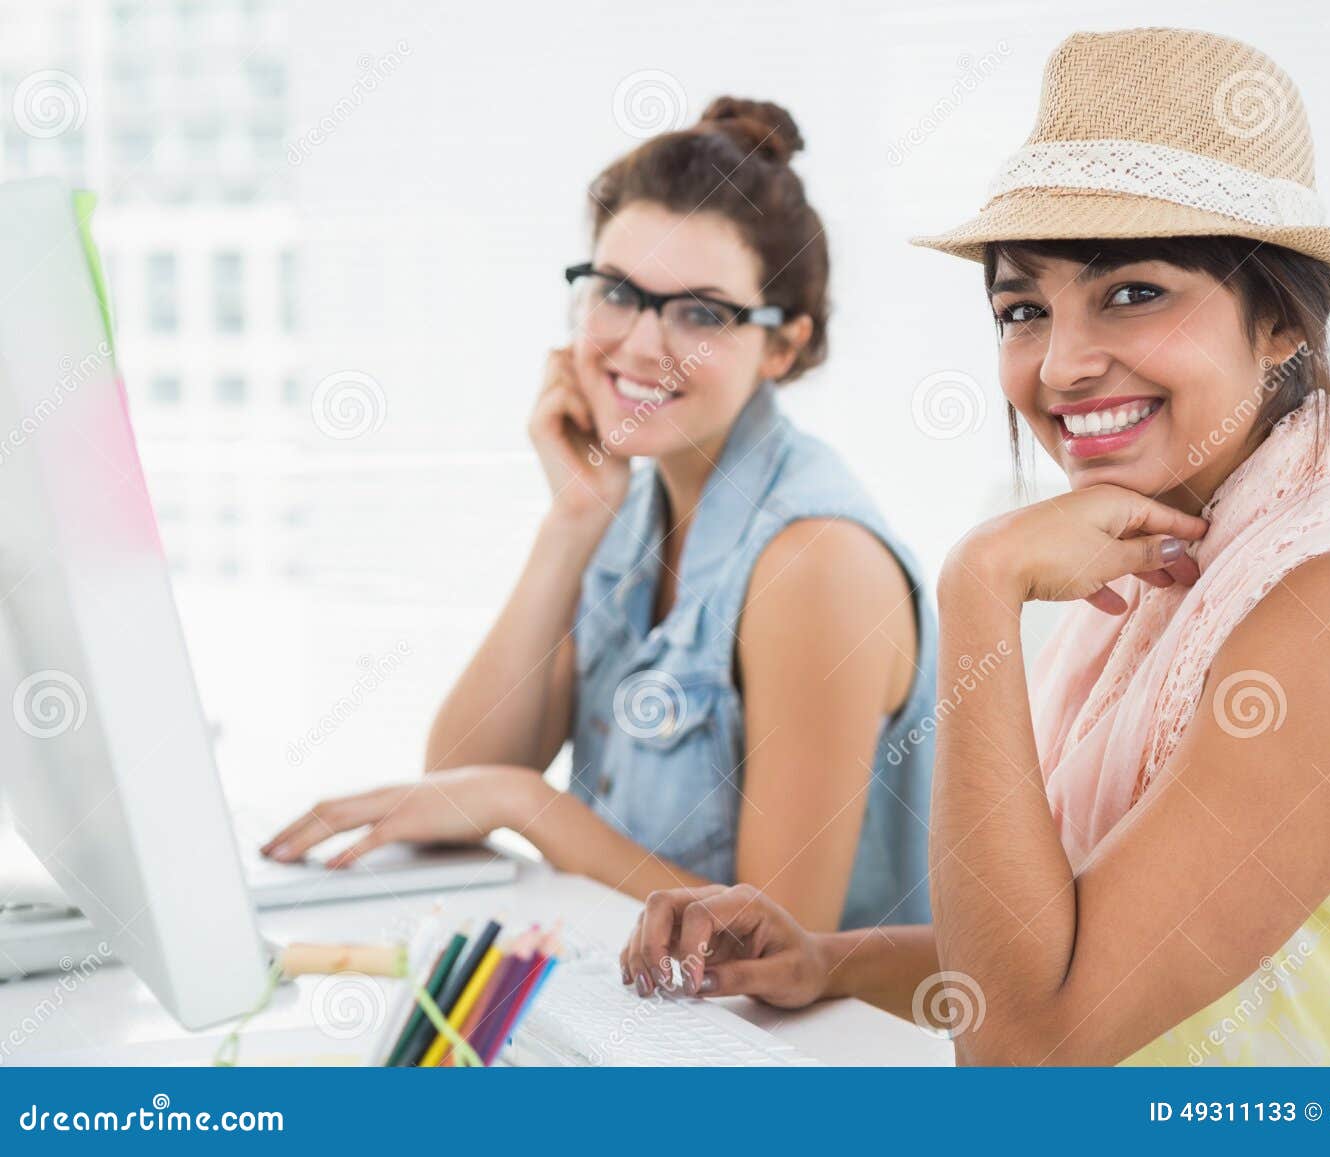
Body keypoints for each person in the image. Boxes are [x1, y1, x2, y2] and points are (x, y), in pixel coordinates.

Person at [619, 29, 1330, 1064]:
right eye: (1022, 308)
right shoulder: (1169, 558)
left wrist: (978, 582)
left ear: (1282, 321)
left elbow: (1030, 1047)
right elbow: (1072, 946)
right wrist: (832, 957)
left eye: (1133, 291)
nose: (1063, 364)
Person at [262, 97, 937, 933]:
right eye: (617, 290)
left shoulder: (818, 562)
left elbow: (773, 938)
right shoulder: (633, 500)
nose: (642, 344)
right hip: (647, 1014)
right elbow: (458, 781)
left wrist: (527, 805)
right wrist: (572, 523)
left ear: (782, 345)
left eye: (700, 312)